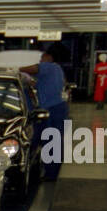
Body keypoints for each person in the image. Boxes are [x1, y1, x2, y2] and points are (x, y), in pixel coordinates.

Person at [20, 48, 68, 181]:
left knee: (51, 141)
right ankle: (51, 171)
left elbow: (33, 69)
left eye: (42, 58)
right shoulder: (56, 70)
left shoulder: (49, 67)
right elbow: (41, 84)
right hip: (56, 108)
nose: (40, 61)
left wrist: (16, 69)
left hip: (52, 109)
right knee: (50, 140)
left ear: (49, 57)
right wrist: (29, 83)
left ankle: (51, 174)